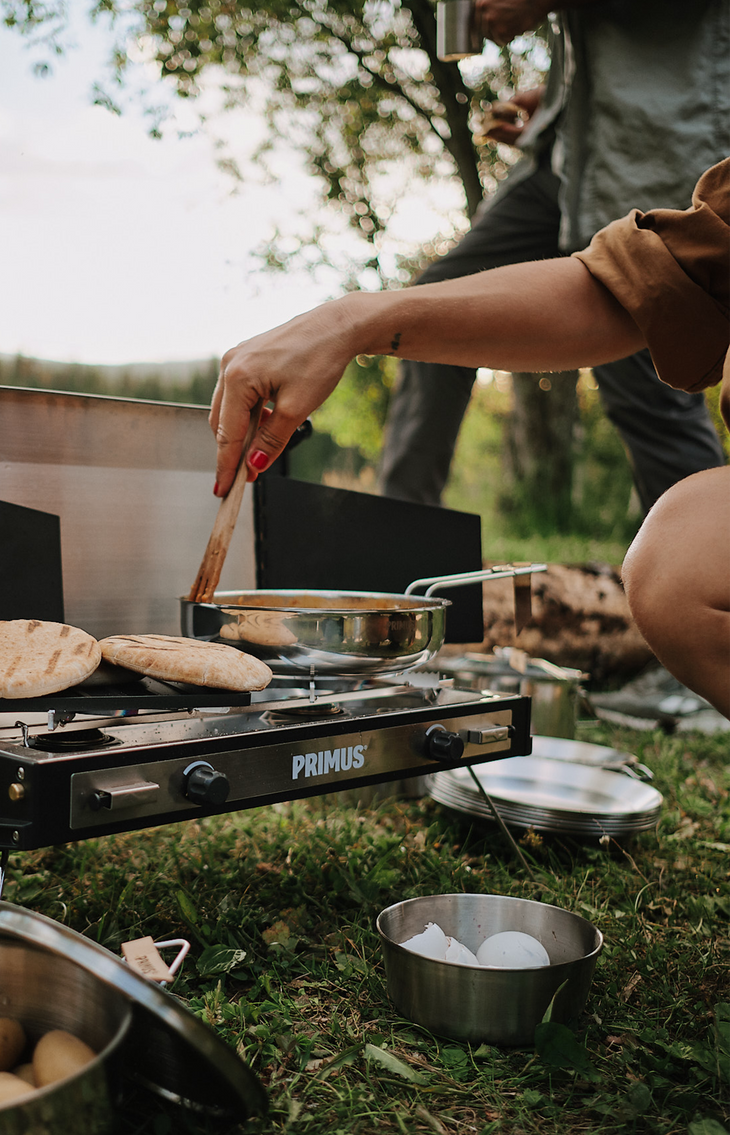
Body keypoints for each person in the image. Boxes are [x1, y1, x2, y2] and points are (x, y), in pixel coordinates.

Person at [209, 157, 730, 717]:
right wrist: (348, 322)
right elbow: (624, 292)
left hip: (637, 137)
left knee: (673, 554)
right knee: (678, 565)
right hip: (580, 132)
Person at [378, 0, 730, 513]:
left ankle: (710, 566)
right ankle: (398, 550)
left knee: (648, 390)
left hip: (653, 160)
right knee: (427, 312)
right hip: (567, 162)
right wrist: (563, 106)